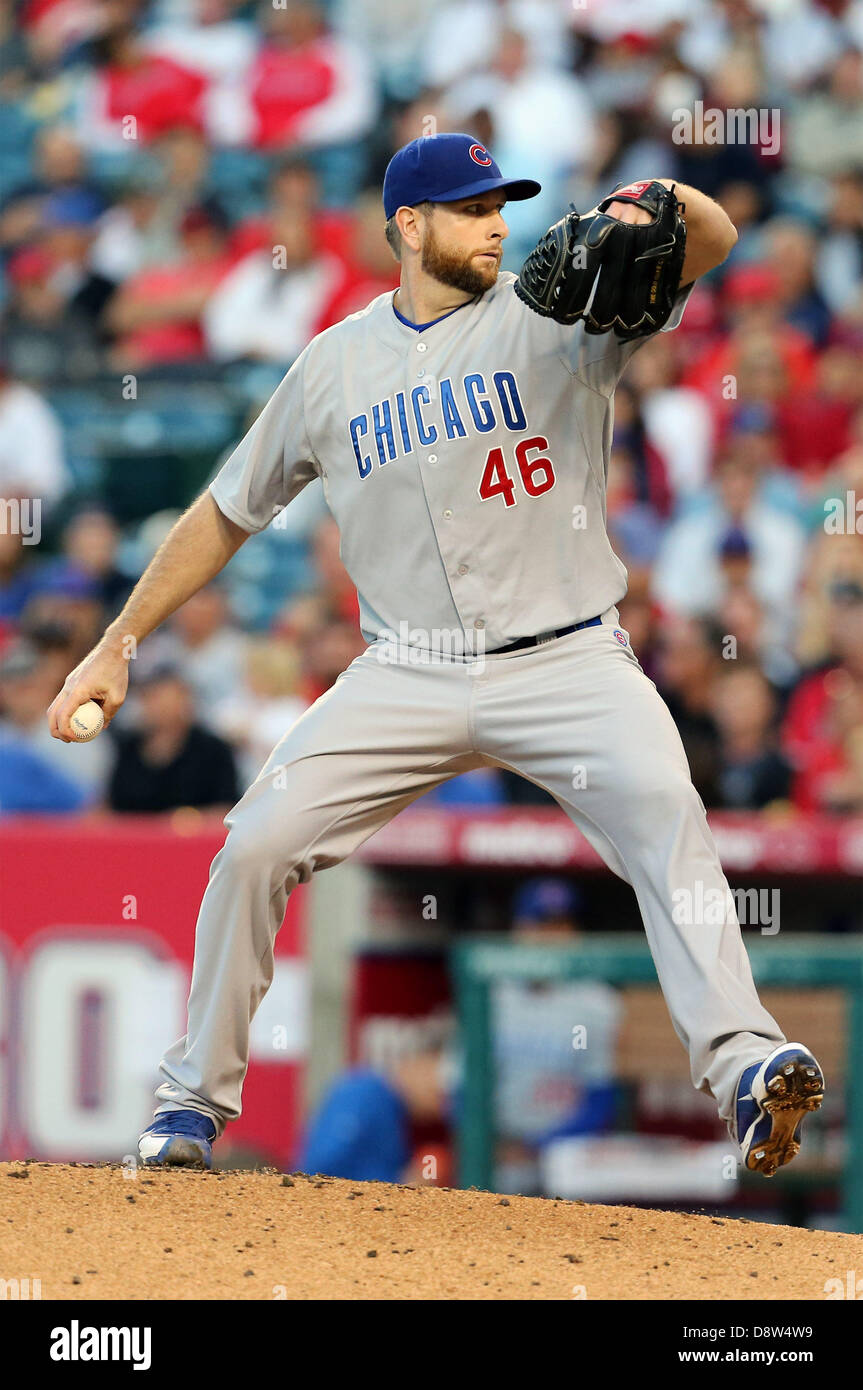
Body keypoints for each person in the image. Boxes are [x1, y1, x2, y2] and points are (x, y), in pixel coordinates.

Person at [48, 131, 823, 1180]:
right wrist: (115, 641)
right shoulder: (331, 364)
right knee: (255, 843)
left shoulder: (561, 314)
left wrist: (647, 201)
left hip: (567, 660)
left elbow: (714, 237)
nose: (496, 221)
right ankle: (189, 1101)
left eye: (500, 203)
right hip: (402, 669)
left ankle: (742, 1065)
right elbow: (225, 514)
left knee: (665, 826)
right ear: (407, 225)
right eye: (469, 206)